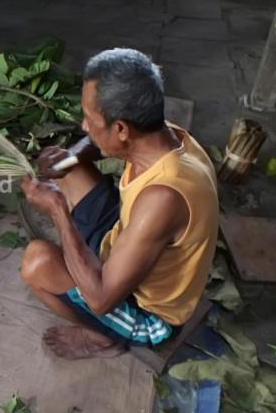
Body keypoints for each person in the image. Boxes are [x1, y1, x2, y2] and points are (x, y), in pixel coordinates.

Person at [19, 48, 219, 359]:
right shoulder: (165, 136)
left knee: (37, 263)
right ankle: (88, 249)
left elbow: (100, 299)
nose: (85, 127)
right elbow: (99, 145)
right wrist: (70, 157)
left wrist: (59, 211)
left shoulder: (163, 197)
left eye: (90, 119)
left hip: (149, 314)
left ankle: (101, 338)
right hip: (127, 234)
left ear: (122, 128)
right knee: (69, 170)